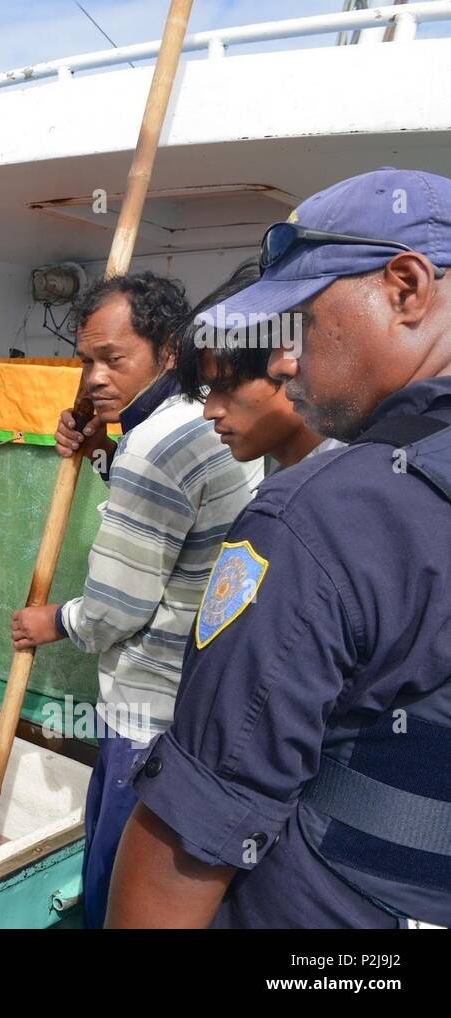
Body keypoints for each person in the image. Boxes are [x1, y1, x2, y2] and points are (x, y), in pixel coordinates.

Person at [108, 168, 451, 929]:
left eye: (298, 324)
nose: (286, 361)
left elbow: (191, 835)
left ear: (406, 287)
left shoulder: (318, 520)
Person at [9, 272, 261, 929]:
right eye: (85, 360)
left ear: (169, 351)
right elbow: (175, 516)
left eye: (113, 360)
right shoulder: (213, 422)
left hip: (147, 712)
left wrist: (51, 621)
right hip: (204, 699)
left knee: (116, 885)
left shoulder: (152, 447)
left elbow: (115, 610)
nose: (93, 378)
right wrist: (102, 451)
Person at [176, 260, 344, 470]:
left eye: (228, 385)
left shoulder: (347, 490)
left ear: (290, 366)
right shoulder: (291, 485)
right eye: (210, 389)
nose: (210, 411)